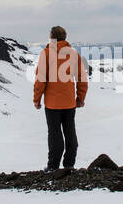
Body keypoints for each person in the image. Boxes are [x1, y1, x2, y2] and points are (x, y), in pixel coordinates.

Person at [33, 25, 88, 173]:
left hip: (52, 104)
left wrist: (36, 99)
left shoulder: (46, 54)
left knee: (54, 134)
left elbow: (40, 79)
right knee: (70, 133)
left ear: (51, 38)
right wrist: (80, 98)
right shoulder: (73, 54)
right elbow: (82, 78)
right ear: (65, 38)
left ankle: (53, 166)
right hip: (69, 103)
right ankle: (69, 164)